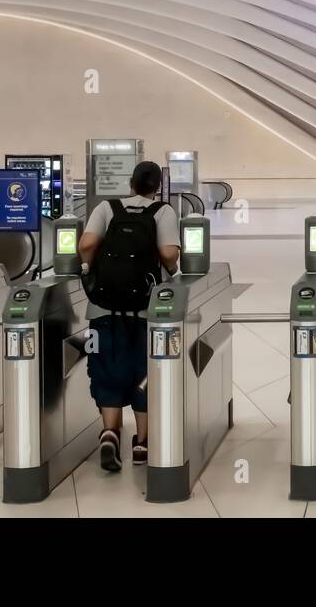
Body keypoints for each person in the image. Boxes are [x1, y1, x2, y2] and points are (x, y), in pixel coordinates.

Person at [78, 161, 180, 471]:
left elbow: (87, 244)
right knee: (143, 373)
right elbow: (169, 254)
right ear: (157, 187)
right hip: (146, 311)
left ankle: (110, 432)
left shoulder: (106, 207)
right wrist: (171, 270)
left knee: (106, 367)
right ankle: (142, 443)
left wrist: (88, 267)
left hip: (103, 309)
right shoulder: (163, 211)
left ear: (131, 183)